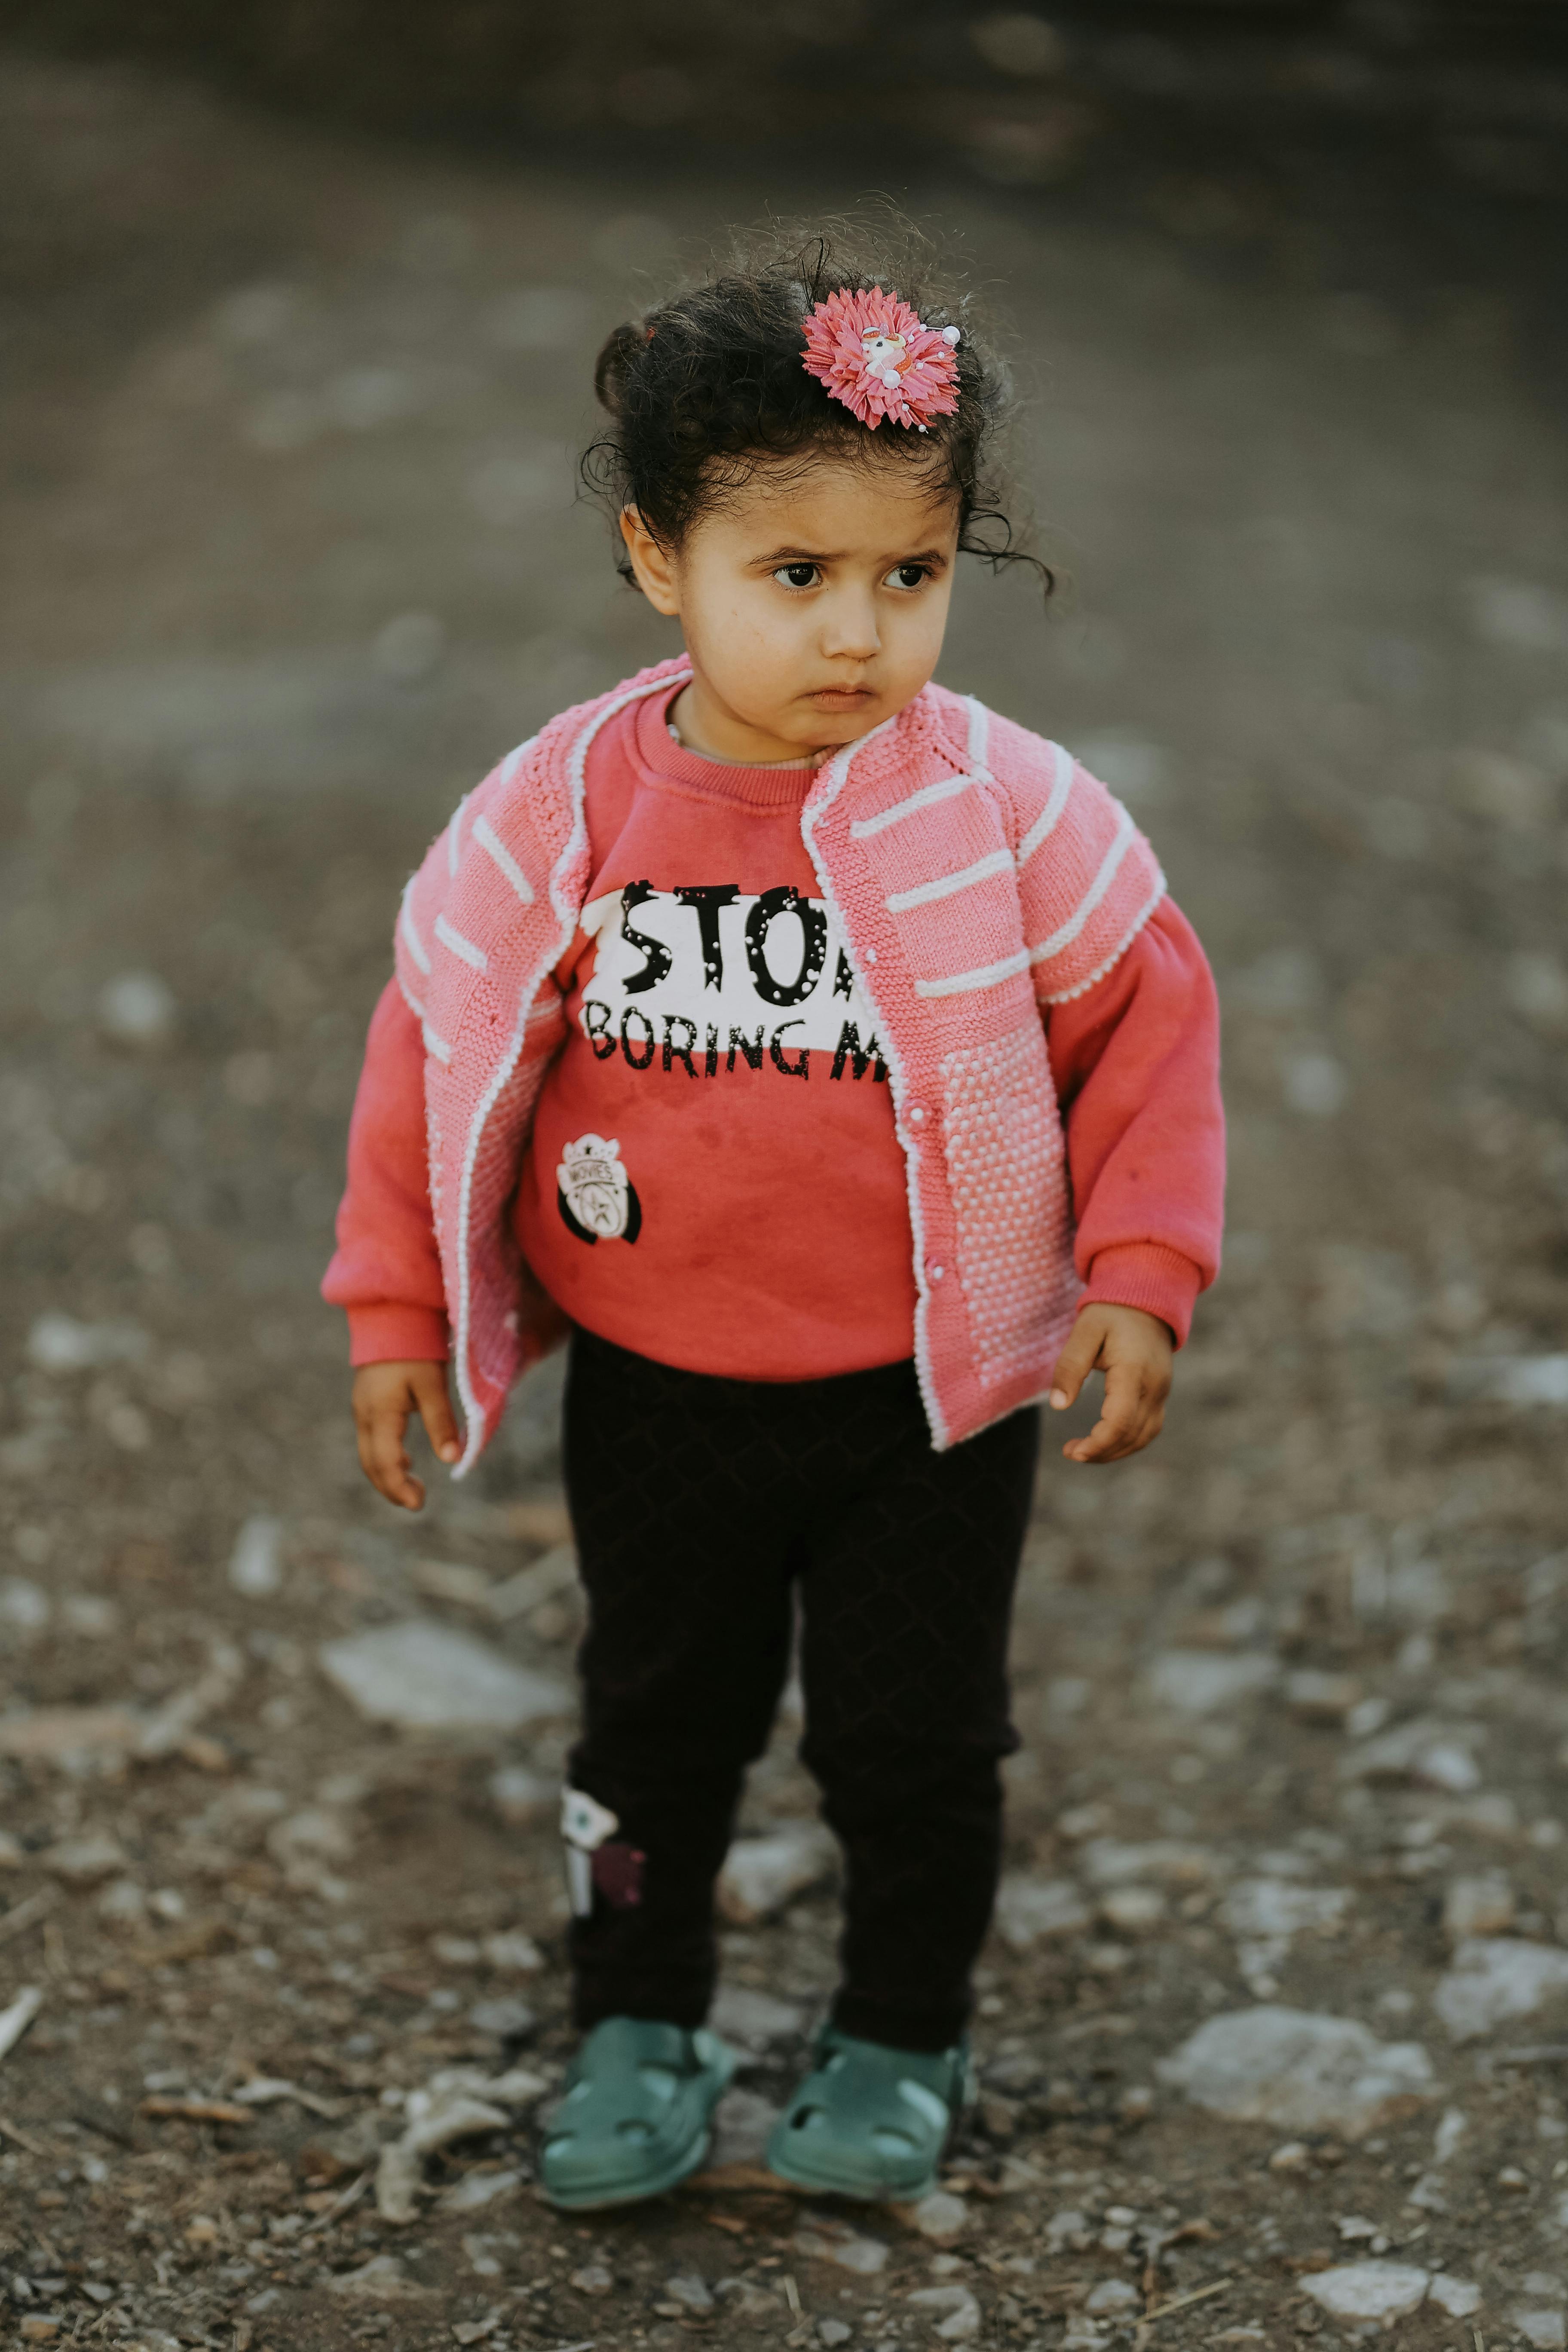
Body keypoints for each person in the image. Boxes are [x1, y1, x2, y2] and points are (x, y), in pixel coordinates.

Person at [323, 218, 1225, 2212]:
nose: (857, 635)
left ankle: (901, 2031)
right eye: (794, 574)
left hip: (925, 1402)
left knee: (916, 1740)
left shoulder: (1006, 813)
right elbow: (437, 1043)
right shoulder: (566, 813)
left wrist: (1142, 1270)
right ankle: (636, 2017)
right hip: (660, 1386)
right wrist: (396, 1305)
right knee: (653, 1729)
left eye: (912, 575)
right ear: (661, 559)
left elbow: (1148, 1022)